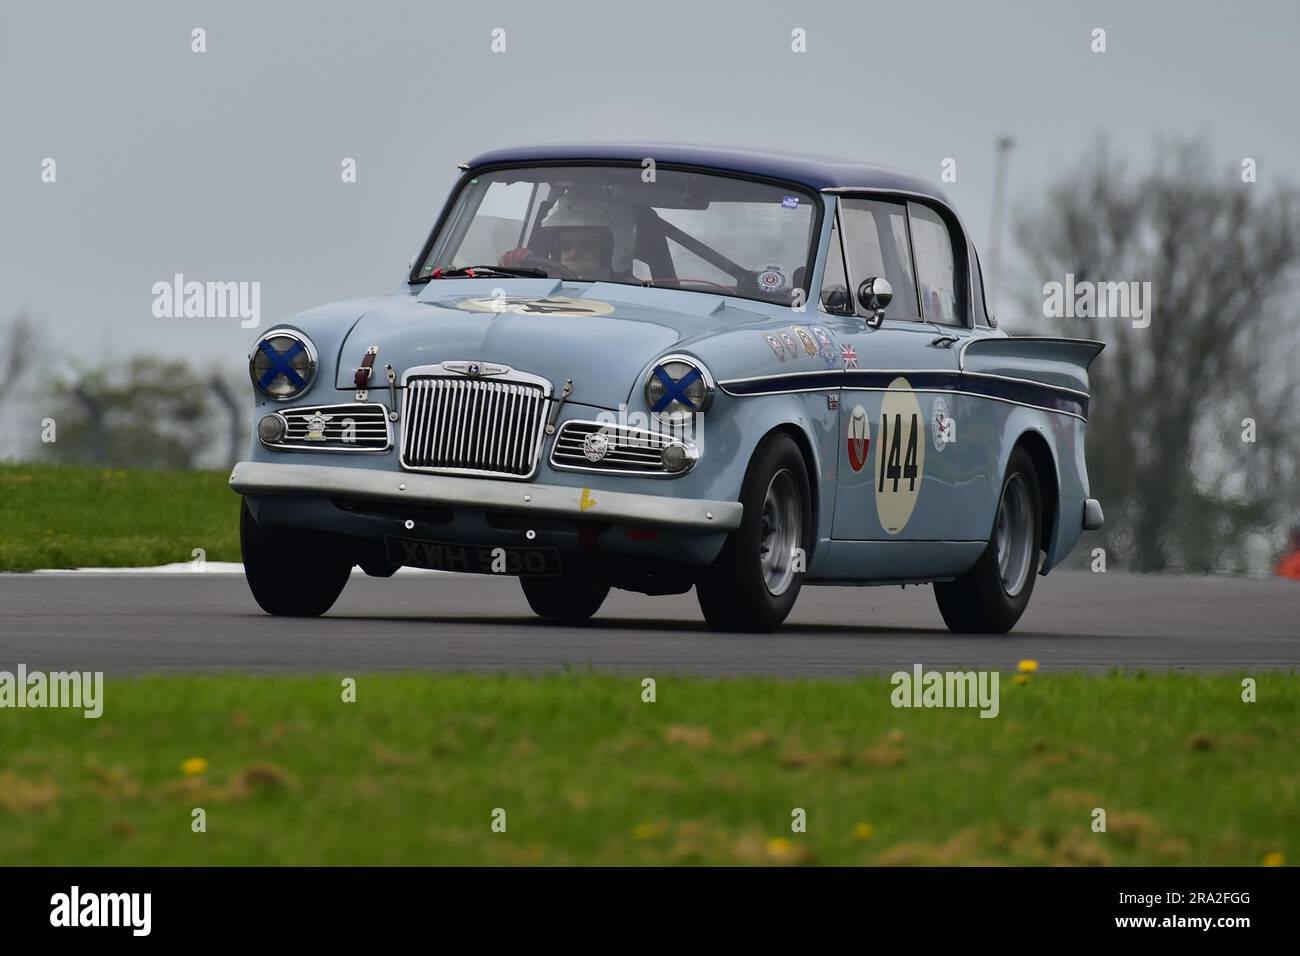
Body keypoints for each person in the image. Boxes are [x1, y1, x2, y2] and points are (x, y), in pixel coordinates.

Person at [501, 191, 638, 282]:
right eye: (565, 246)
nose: (573, 253)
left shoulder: (634, 294)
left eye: (586, 245)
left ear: (609, 250)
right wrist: (514, 267)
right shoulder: (543, 285)